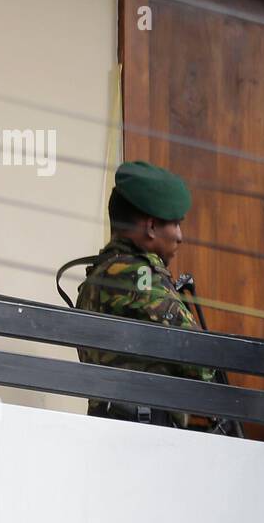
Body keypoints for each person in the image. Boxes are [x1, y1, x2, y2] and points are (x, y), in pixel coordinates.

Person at [71, 160, 216, 428]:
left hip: (113, 429)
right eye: (175, 224)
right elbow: (201, 365)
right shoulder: (138, 276)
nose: (180, 237)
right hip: (145, 433)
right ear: (150, 227)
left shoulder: (99, 275)